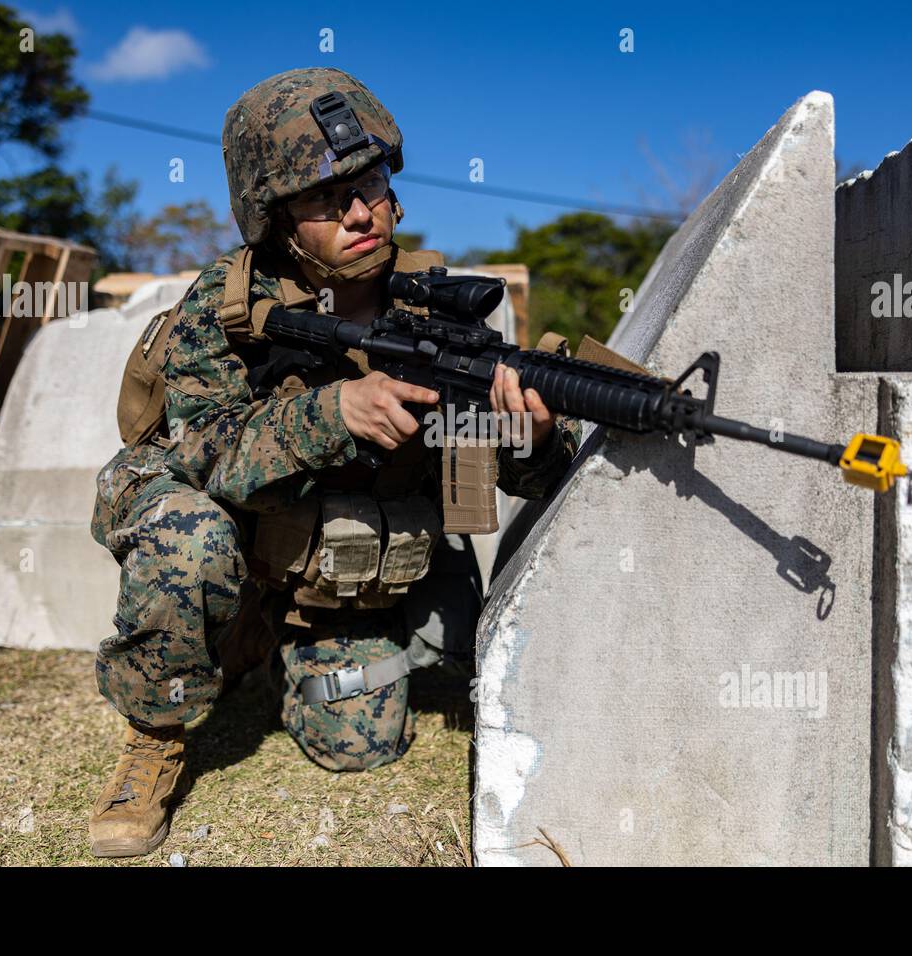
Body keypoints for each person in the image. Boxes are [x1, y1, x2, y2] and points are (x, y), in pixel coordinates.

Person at [86, 67, 581, 858]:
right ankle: (157, 733)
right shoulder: (224, 309)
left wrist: (535, 433)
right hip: (221, 528)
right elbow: (204, 450)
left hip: (332, 569)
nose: (360, 213)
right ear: (275, 218)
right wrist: (332, 412)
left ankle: (276, 643)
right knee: (185, 533)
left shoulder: (432, 303)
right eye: (325, 199)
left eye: (372, 184)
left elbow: (525, 481)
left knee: (363, 745)